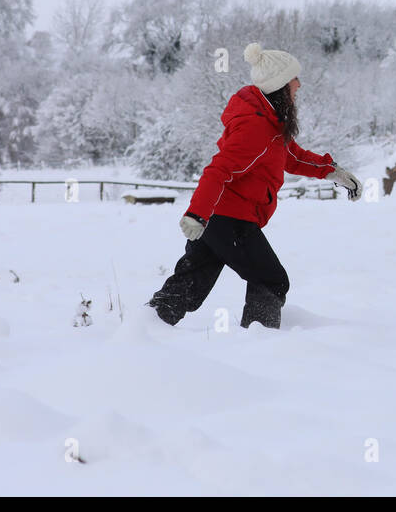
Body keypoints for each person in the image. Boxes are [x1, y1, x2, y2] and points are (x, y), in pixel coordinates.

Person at [148, 43, 361, 330]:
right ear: (280, 87)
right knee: (271, 279)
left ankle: (147, 328)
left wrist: (333, 171)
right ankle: (260, 342)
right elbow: (218, 170)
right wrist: (197, 214)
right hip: (229, 219)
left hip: (219, 217)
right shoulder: (256, 126)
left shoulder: (269, 123)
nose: (299, 84)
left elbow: (292, 156)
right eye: (293, 79)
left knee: (192, 280)